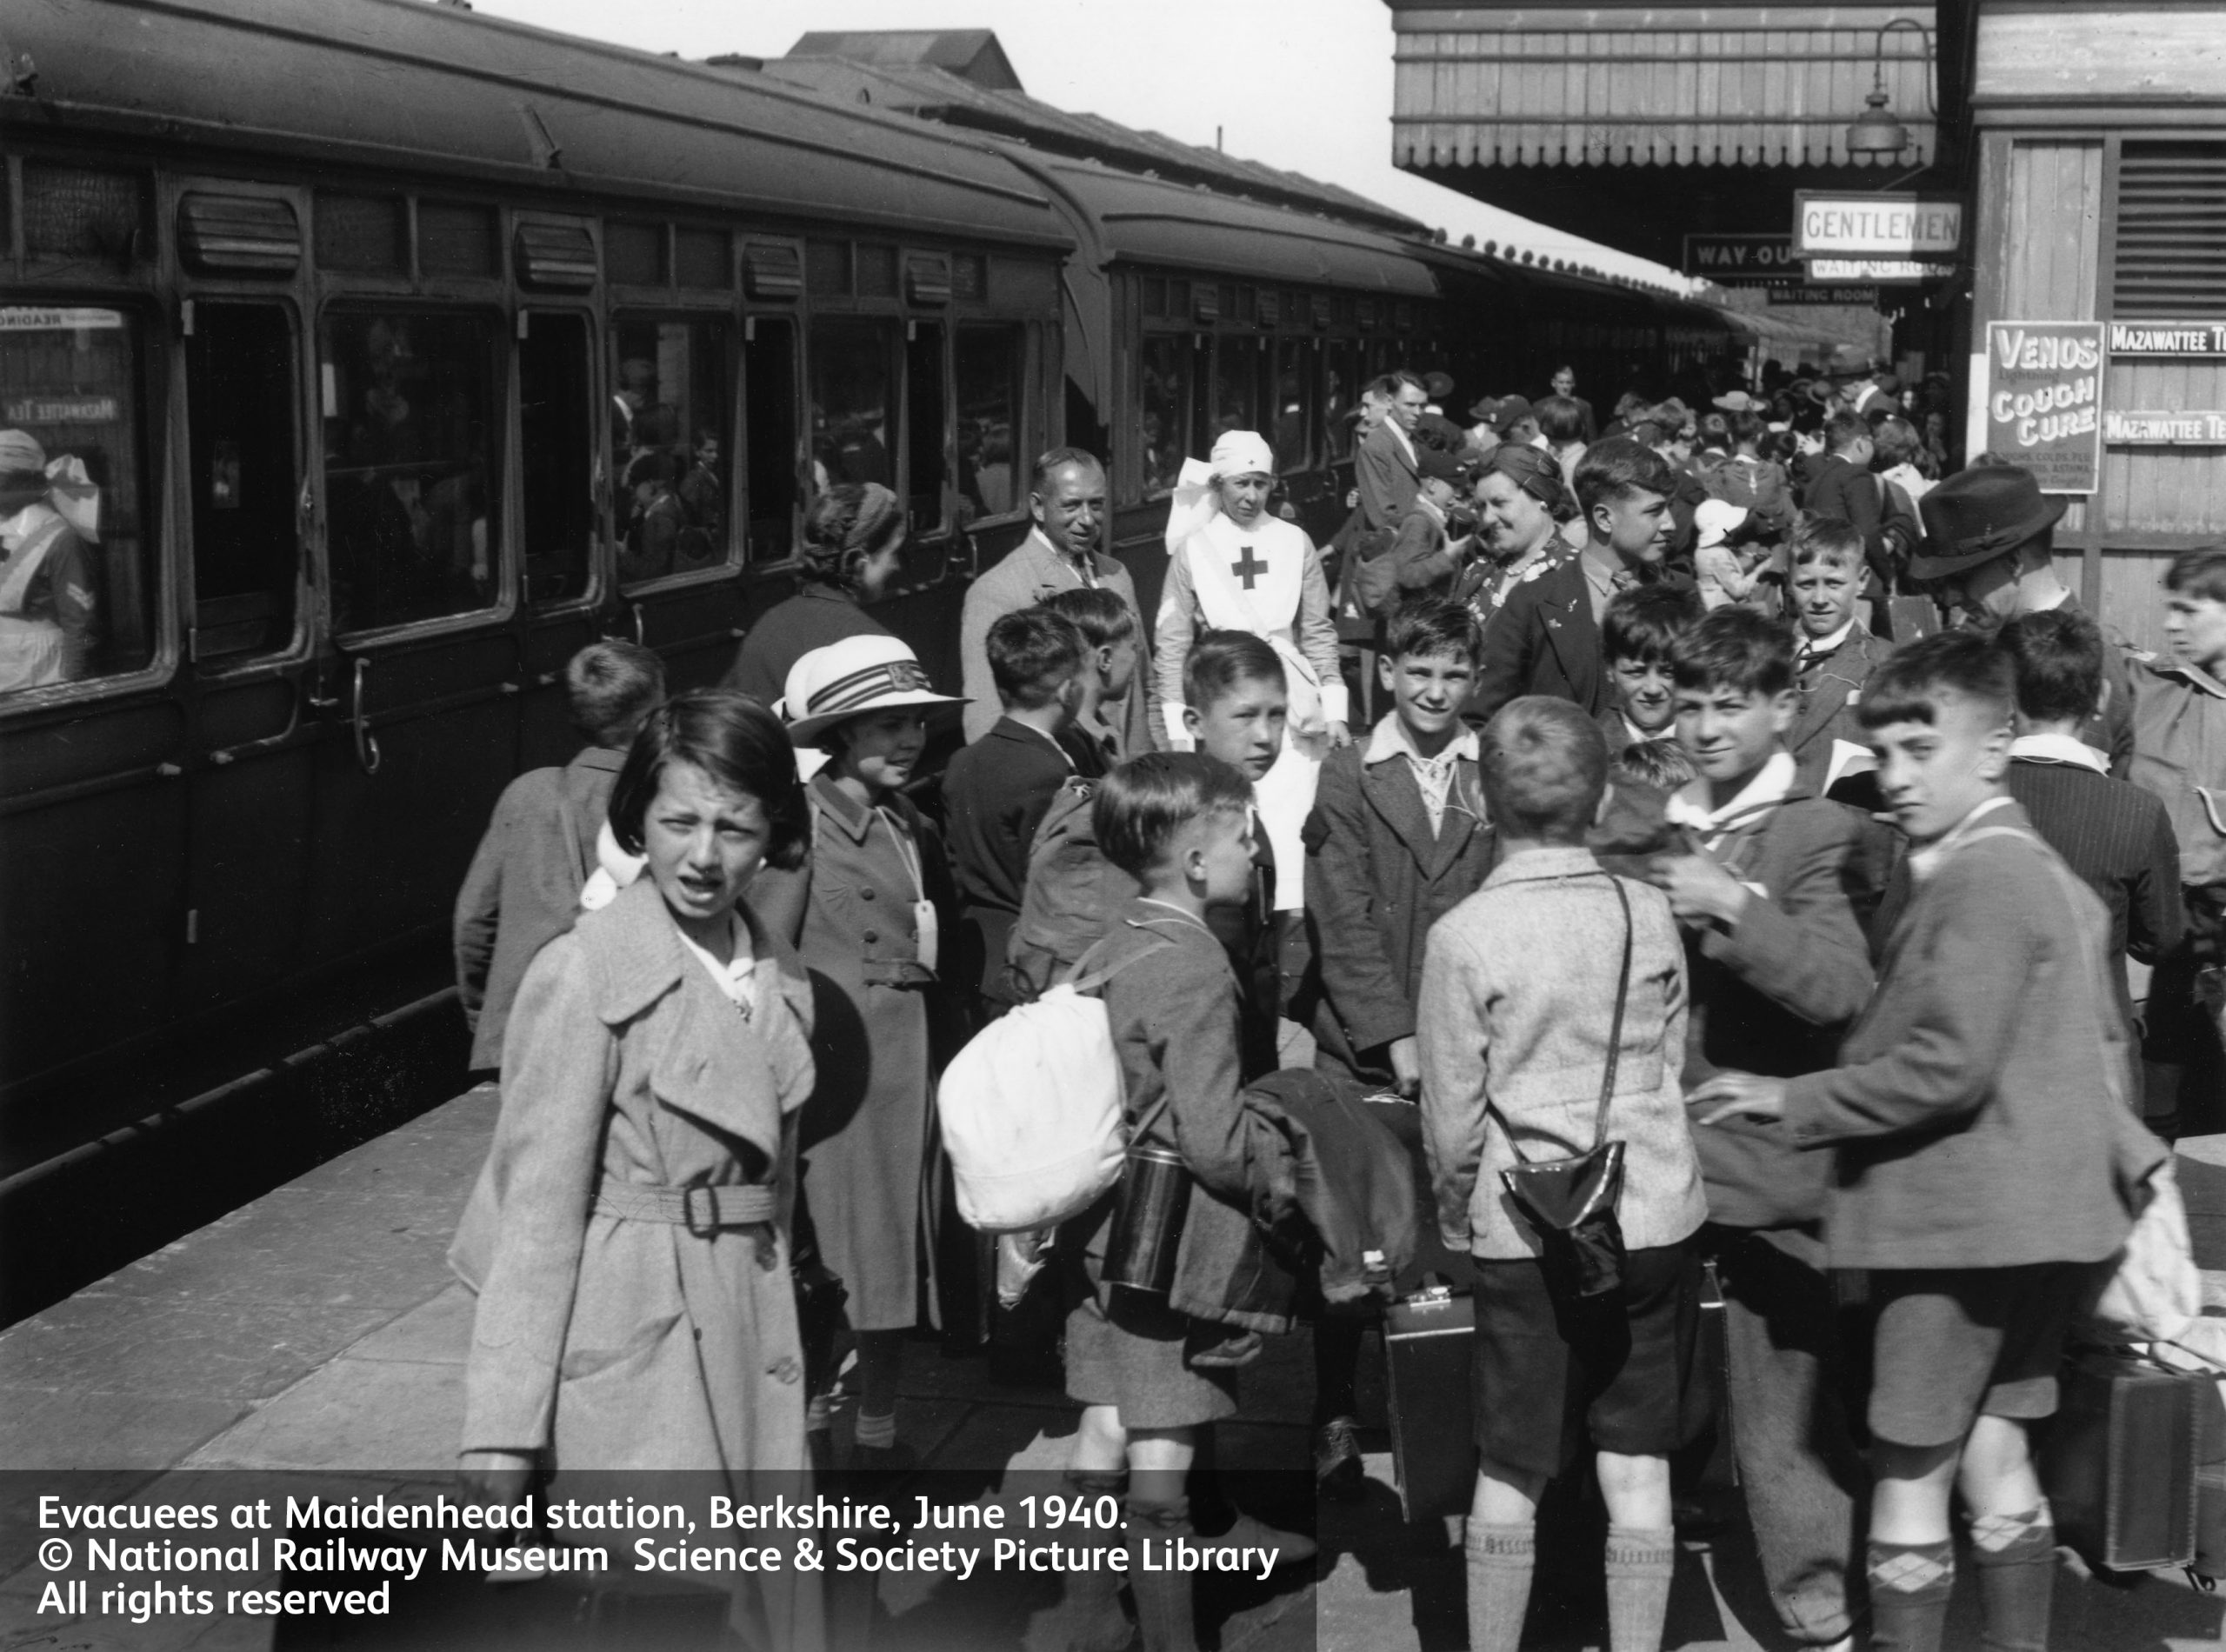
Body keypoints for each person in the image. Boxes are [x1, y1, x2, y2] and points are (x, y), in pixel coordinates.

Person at [1692, 630, 2160, 1652]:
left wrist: (1792, 1100)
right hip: (2033, 1232)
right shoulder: (2033, 869)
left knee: (1909, 1483)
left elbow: (1946, 1063)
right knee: (1997, 1457)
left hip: (1952, 1234)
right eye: (1883, 752)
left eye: (1918, 750)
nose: (1892, 778)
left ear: (1993, 747)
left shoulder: (1984, 878)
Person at [452, 689, 822, 1646]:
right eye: (679, 821)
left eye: (735, 827)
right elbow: (533, 1214)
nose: (705, 856)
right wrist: (502, 1430)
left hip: (749, 1315)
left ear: (773, 830)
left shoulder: (774, 968)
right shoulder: (585, 973)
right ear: (638, 821)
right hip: (637, 1328)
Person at [1419, 696, 1703, 1652]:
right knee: (1637, 1456)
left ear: (1479, 796)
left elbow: (1453, 1113)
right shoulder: (1648, 909)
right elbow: (1670, 1057)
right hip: (1654, 1213)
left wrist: (1456, 1223)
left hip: (1524, 1226)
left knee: (1512, 1459)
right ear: (1598, 800)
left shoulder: (1463, 934)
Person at [1648, 609, 1876, 1650]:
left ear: (1783, 708)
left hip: (1765, 1168)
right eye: (1688, 703)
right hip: (1657, 1154)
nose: (1703, 726)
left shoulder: (1808, 830)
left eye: (1728, 704)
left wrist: (1729, 905)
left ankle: (1813, 1591)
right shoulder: (1655, 817)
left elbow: (1837, 987)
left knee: (1782, 1400)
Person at [1056, 751, 1293, 1652]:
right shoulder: (1193, 962)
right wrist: (1282, 1174)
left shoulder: (1119, 934)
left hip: (1104, 1230)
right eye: (1241, 836)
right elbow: (1212, 1136)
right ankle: (1164, 1636)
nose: (1251, 851)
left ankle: (1080, 1610)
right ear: (1197, 861)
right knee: (1165, 1445)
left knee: (1109, 1418)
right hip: (1167, 1243)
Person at [755, 635, 966, 1467]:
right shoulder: (803, 828)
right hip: (841, 1083)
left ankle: (876, 1429)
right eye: (883, 726)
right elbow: (768, 951)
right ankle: (811, 1431)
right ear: (838, 737)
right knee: (838, 1262)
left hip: (907, 1075)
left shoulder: (908, 818)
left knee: (894, 1259)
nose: (909, 738)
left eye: (914, 721)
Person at [1301, 598, 1496, 1496]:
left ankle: (1450, 1399)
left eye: (1454, 673)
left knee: (1456, 1227)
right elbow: (1339, 917)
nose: (1436, 689)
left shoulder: (1488, 767)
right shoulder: (1348, 774)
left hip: (1470, 1030)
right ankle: (1333, 1405)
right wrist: (1394, 1031)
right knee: (1356, 1233)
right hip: (1368, 1044)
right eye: (1419, 671)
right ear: (1386, 673)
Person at [1999, 608, 2183, 1122]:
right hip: (2096, 1074)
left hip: (1981, 1068)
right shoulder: (2136, 812)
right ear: (2101, 700)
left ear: (2004, 699)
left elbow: (1886, 933)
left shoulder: (1963, 798)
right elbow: (2162, 939)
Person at [453, 640, 667, 1075]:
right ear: (650, 720)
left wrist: (486, 1015)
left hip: (520, 1036)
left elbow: (473, 921)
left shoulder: (526, 794)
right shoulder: (664, 803)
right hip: (616, 1045)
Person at [1157, 430, 1348, 905]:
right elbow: (1172, 644)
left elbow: (1318, 629)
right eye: (1241, 483)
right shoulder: (1193, 549)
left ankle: (1294, 927)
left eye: (1261, 484)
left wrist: (1336, 708)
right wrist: (1178, 733)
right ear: (1219, 483)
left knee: (1292, 826)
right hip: (1226, 703)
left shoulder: (1294, 541)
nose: (1251, 496)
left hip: (1290, 705)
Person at [1911, 463, 2134, 769]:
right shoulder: (1984, 643)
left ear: (2014, 562)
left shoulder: (2089, 660)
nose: (1951, 598)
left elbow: (2072, 789)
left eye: (1962, 578)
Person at [1473, 436, 1683, 723]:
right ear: (1604, 518)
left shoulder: (1683, 593)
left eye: (1669, 508)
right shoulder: (1531, 603)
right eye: (1654, 511)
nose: (1670, 524)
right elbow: (1482, 718)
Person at [942, 609, 1089, 1016]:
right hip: (1032, 964)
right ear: (1067, 690)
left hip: (978, 956)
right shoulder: (1050, 773)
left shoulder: (963, 761)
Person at [959, 447, 1151, 754]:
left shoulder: (1116, 575)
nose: (1087, 519)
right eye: (1072, 505)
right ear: (1037, 507)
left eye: (1097, 505)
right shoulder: (998, 591)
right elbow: (986, 720)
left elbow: (1143, 687)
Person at [2129, 547, 2226, 1129]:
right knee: (2157, 1072)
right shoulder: (2155, 695)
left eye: (2188, 611)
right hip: (2174, 933)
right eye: (2170, 610)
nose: (2171, 625)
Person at [722, 483, 904, 705]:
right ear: (860, 559)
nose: (896, 566)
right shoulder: (873, 646)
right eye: (893, 553)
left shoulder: (768, 623)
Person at [1783, 515, 1896, 797]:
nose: (1820, 599)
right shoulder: (1765, 655)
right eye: (1806, 584)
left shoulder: (1884, 662)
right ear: (1788, 582)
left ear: (1862, 580)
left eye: (1834, 584)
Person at [0, 430, 102, 689]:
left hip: (38, 668)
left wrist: (72, 681)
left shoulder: (60, 537)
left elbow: (77, 620)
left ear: (22, 483)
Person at [1801, 412, 1914, 634]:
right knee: (1858, 655)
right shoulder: (1856, 475)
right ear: (1861, 443)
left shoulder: (1816, 480)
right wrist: (1886, 573)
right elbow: (1867, 532)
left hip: (1823, 584)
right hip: (1856, 588)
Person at [1452, 445, 1576, 638]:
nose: (1487, 518)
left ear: (1541, 497)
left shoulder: (1574, 574)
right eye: (1481, 507)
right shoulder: (1477, 572)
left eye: (1499, 503)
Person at [1044, 585, 1143, 777]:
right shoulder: (1068, 745)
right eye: (1133, 647)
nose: (1136, 658)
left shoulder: (1094, 732)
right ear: (1105, 659)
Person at [1601, 584, 1703, 754]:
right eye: (1635, 672)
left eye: (1668, 672)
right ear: (1610, 669)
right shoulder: (1588, 750)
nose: (1653, 689)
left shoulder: (1712, 744)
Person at [1356, 371, 1427, 531]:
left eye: (1422, 406)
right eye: (1410, 405)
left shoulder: (1416, 440)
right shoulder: (1375, 447)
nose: (1417, 413)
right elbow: (1383, 516)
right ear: (1389, 401)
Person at [1546, 364, 1598, 441]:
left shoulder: (1584, 406)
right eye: (1561, 382)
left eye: (1568, 383)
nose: (1565, 387)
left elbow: (1592, 438)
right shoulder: (1541, 406)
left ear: (1573, 384)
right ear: (1553, 383)